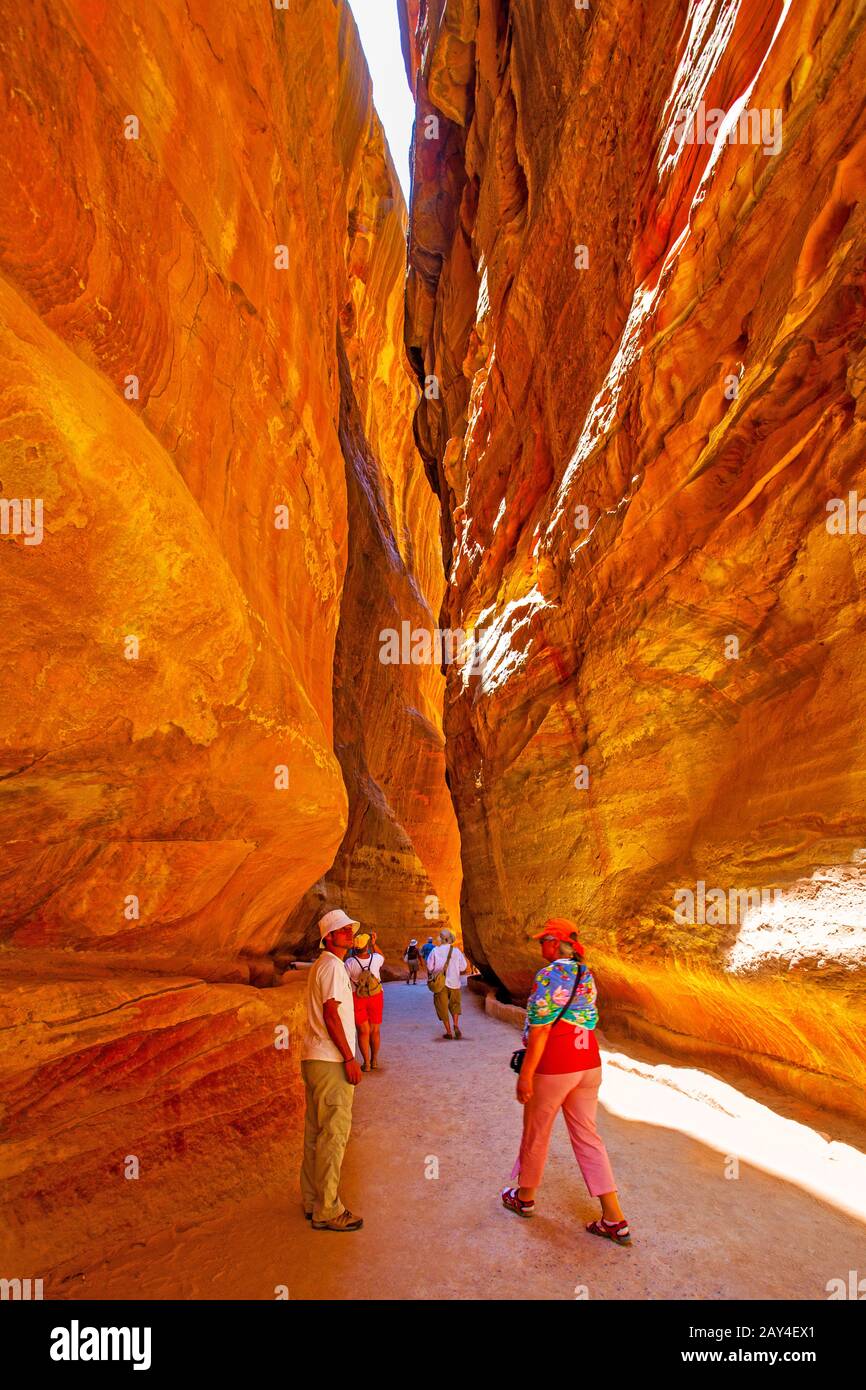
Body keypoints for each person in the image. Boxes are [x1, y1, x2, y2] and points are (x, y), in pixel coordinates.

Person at [500, 919, 630, 1245]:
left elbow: (541, 1028)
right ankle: (614, 1218)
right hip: (588, 1061)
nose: (540, 946)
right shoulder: (586, 973)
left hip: (556, 1064)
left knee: (536, 1132)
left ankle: (525, 1198)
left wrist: (526, 1076)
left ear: (556, 944)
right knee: (589, 1137)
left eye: (543, 940)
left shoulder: (548, 975)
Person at [300, 908, 364, 1232]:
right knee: (333, 1135)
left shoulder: (319, 967)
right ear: (328, 938)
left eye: (349, 928)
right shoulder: (335, 968)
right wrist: (350, 1057)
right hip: (330, 1061)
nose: (348, 933)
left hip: (313, 1059)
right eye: (341, 930)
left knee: (315, 1133)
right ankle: (328, 1209)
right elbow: (332, 1015)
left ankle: (312, 1201)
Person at [345, 930, 385, 1071]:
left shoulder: (350, 962)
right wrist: (375, 944)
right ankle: (374, 1060)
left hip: (358, 997)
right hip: (376, 996)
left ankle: (366, 1063)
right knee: (375, 1030)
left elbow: (345, 980)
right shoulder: (376, 958)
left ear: (354, 948)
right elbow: (381, 956)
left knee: (363, 1031)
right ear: (367, 947)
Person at [425, 928, 468, 1039]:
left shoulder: (435, 951)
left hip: (440, 984)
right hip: (454, 983)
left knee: (441, 1007)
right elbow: (463, 967)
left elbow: (429, 967)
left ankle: (449, 1032)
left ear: (441, 939)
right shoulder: (456, 951)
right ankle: (456, 1024)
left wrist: (437, 970)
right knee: (455, 1004)